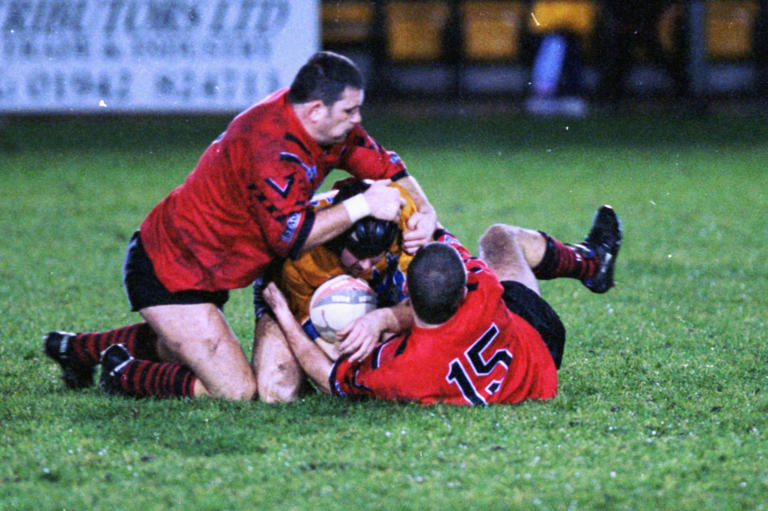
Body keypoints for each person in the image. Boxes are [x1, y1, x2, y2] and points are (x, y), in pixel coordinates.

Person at [42, 51, 437, 400]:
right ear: (316, 110)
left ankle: (76, 349)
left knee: (185, 343)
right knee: (236, 390)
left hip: (209, 264)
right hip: (170, 267)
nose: (358, 119)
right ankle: (122, 373)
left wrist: (425, 210)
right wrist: (363, 203)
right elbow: (291, 238)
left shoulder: (324, 128)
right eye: (350, 111)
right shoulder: (271, 147)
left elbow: (390, 167)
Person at [262, 205, 622, 406]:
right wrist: (427, 219)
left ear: (408, 297)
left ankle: (592, 263)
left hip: (515, 355)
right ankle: (590, 262)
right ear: (463, 292)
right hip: (535, 342)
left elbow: (328, 379)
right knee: (498, 237)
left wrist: (281, 312)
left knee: (338, 349)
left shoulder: (403, 371)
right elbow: (446, 242)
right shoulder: (484, 293)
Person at [252, 178, 421, 402]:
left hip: (380, 293)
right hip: (289, 299)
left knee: (402, 369)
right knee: (277, 391)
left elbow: (419, 305)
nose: (364, 266)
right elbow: (311, 336)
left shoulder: (400, 212)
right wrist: (343, 358)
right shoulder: (302, 253)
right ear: (338, 240)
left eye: (374, 256)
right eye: (358, 254)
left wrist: (380, 322)